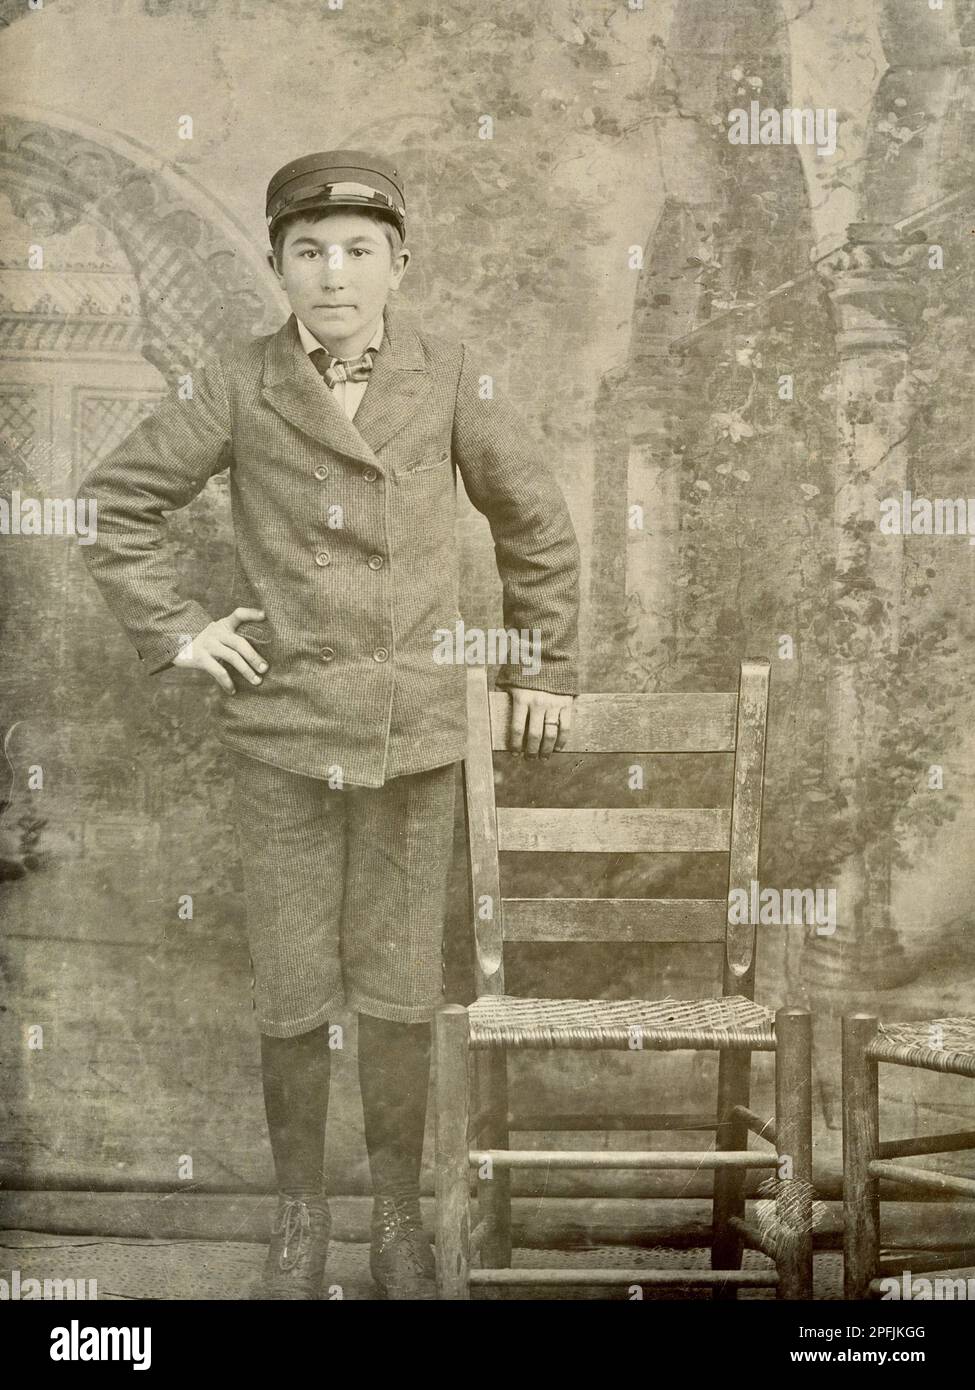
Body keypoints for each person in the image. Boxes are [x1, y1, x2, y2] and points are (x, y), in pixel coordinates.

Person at [79, 150, 580, 1299]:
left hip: (415, 744)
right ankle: (301, 1219)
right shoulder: (239, 379)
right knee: (292, 990)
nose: (334, 273)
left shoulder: (447, 373)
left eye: (358, 250)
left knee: (403, 990)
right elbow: (118, 504)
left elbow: (536, 524)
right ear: (277, 266)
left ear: (398, 263)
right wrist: (180, 630)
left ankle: (397, 1221)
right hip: (286, 736)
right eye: (309, 251)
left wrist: (542, 667)